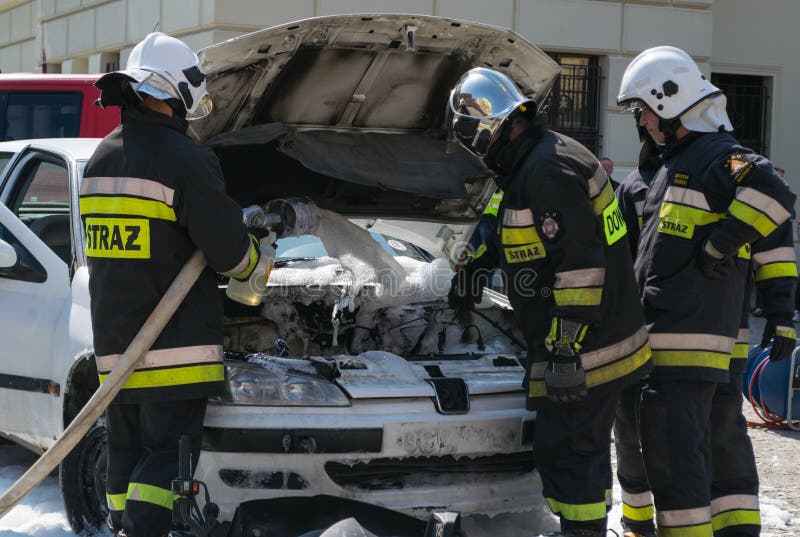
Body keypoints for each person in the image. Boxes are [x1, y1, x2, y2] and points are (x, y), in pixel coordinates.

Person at [448, 67, 652, 537]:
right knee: (579, 452)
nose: (473, 149)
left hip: (588, 349)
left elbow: (580, 266)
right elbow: (514, 226)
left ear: (488, 127)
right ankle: (583, 527)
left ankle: (582, 532)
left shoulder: (546, 169)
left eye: (470, 136)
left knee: (572, 453)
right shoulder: (535, 160)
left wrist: (564, 349)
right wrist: (475, 268)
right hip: (593, 338)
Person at [80, 32, 260, 537]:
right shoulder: (185, 159)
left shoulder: (100, 159)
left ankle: (120, 526)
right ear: (175, 90)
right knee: (165, 464)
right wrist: (254, 264)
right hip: (173, 350)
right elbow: (230, 253)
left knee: (126, 454)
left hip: (115, 349)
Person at [617, 46, 795, 537]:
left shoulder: (717, 158)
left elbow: (775, 201)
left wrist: (723, 247)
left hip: (686, 342)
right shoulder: (644, 181)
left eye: (645, 111)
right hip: (686, 342)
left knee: (674, 455)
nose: (644, 123)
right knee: (708, 444)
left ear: (669, 103)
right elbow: (628, 262)